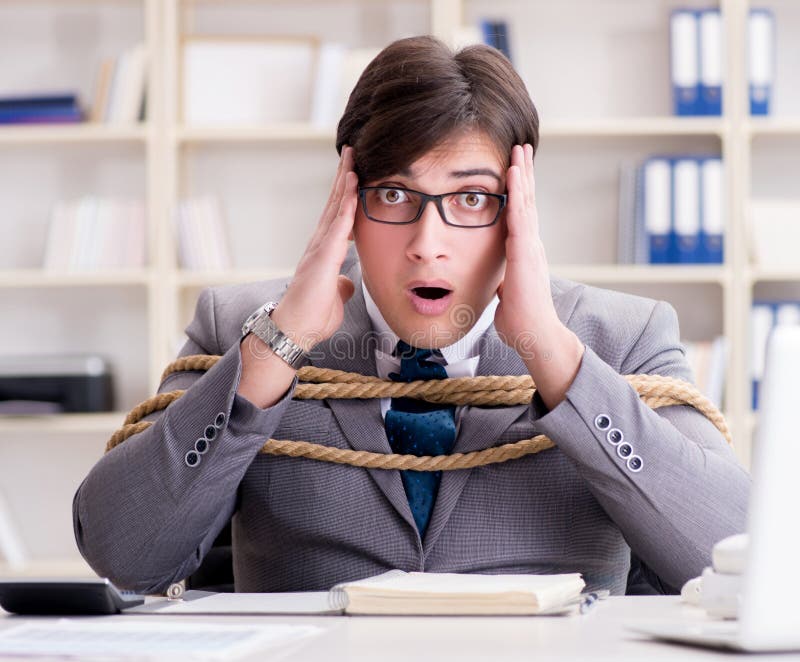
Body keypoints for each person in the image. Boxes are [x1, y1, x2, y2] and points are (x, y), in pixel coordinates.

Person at [73, 36, 749, 596]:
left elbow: (734, 554)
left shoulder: (623, 338)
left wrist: (552, 353)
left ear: (520, 207)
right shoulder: (241, 327)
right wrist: (276, 350)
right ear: (346, 199)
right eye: (394, 193)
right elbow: (123, 554)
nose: (429, 242)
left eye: (473, 199)